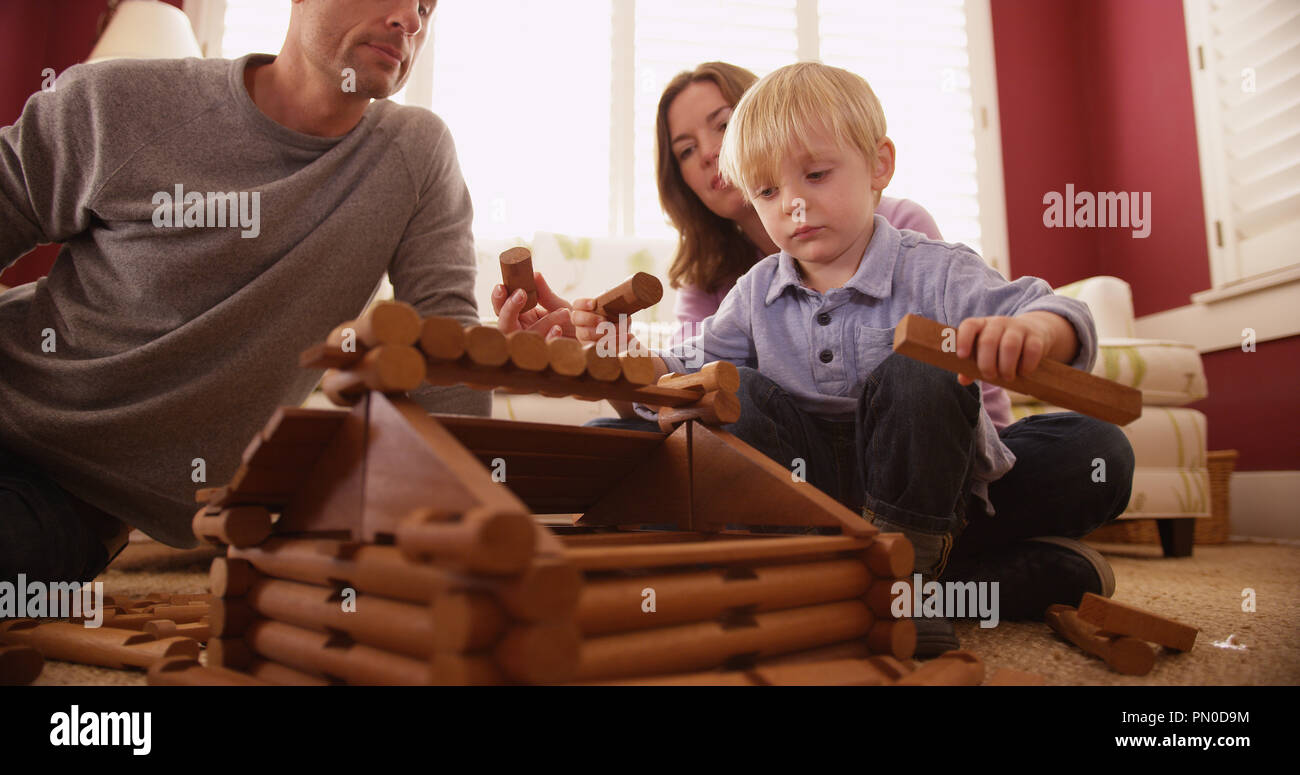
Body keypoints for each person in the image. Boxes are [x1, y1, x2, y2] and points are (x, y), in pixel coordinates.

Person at [567, 62, 1134, 654]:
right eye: (766, 191)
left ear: (879, 166)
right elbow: (677, 380)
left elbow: (1050, 310)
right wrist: (620, 352)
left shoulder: (937, 266)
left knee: (1092, 445)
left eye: (815, 174)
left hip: (931, 493)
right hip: (809, 498)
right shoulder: (754, 292)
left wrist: (1035, 332)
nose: (792, 204)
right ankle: (908, 583)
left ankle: (901, 585)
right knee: (729, 391)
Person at [0, 0, 487, 585]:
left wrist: (469, 541)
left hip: (59, 499)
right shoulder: (120, 101)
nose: (410, 18)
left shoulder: (414, 155)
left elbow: (444, 343)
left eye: (427, 7)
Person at [491, 61, 1013, 426]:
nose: (712, 154)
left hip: (931, 456)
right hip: (789, 461)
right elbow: (680, 399)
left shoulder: (899, 229)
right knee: (614, 439)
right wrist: (603, 353)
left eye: (723, 127)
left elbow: (962, 370)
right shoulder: (717, 284)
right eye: (687, 149)